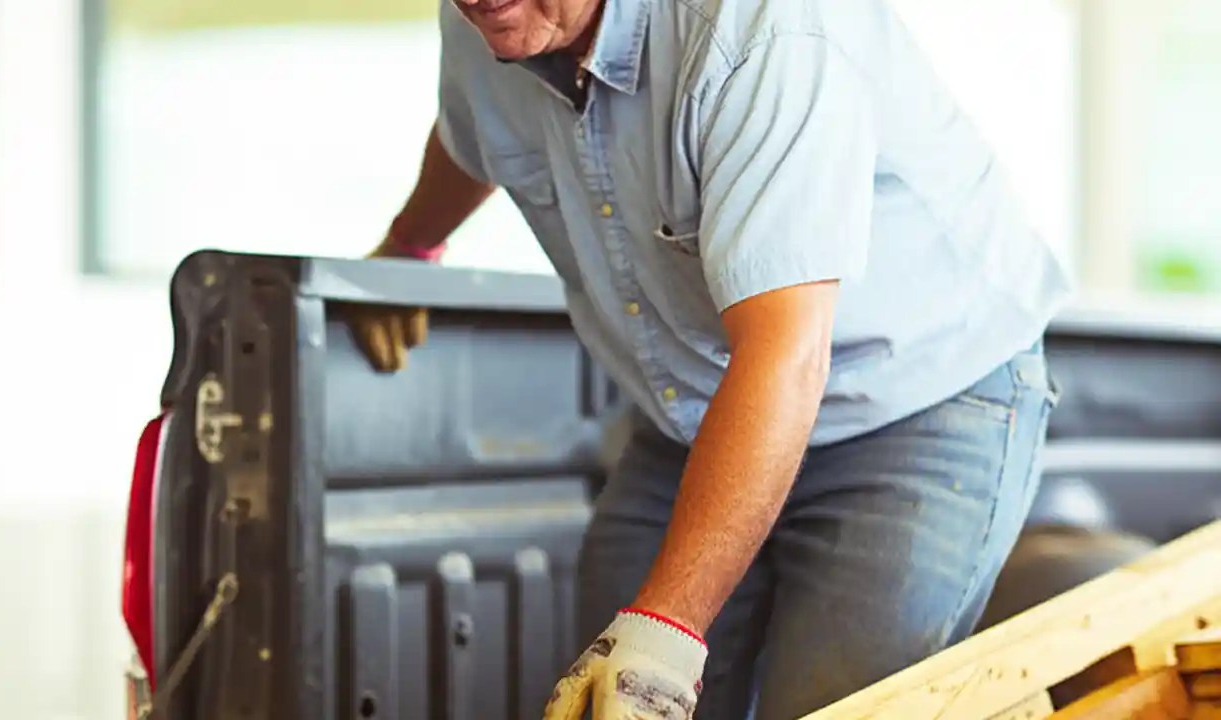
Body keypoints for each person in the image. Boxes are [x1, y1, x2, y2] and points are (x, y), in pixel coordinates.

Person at [356, 0, 1071, 716]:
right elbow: (473, 129)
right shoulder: (493, 16)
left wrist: (666, 634)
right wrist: (408, 247)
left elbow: (784, 356)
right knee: (604, 690)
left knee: (825, 704)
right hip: (694, 407)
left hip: (916, 399)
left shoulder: (764, 31)